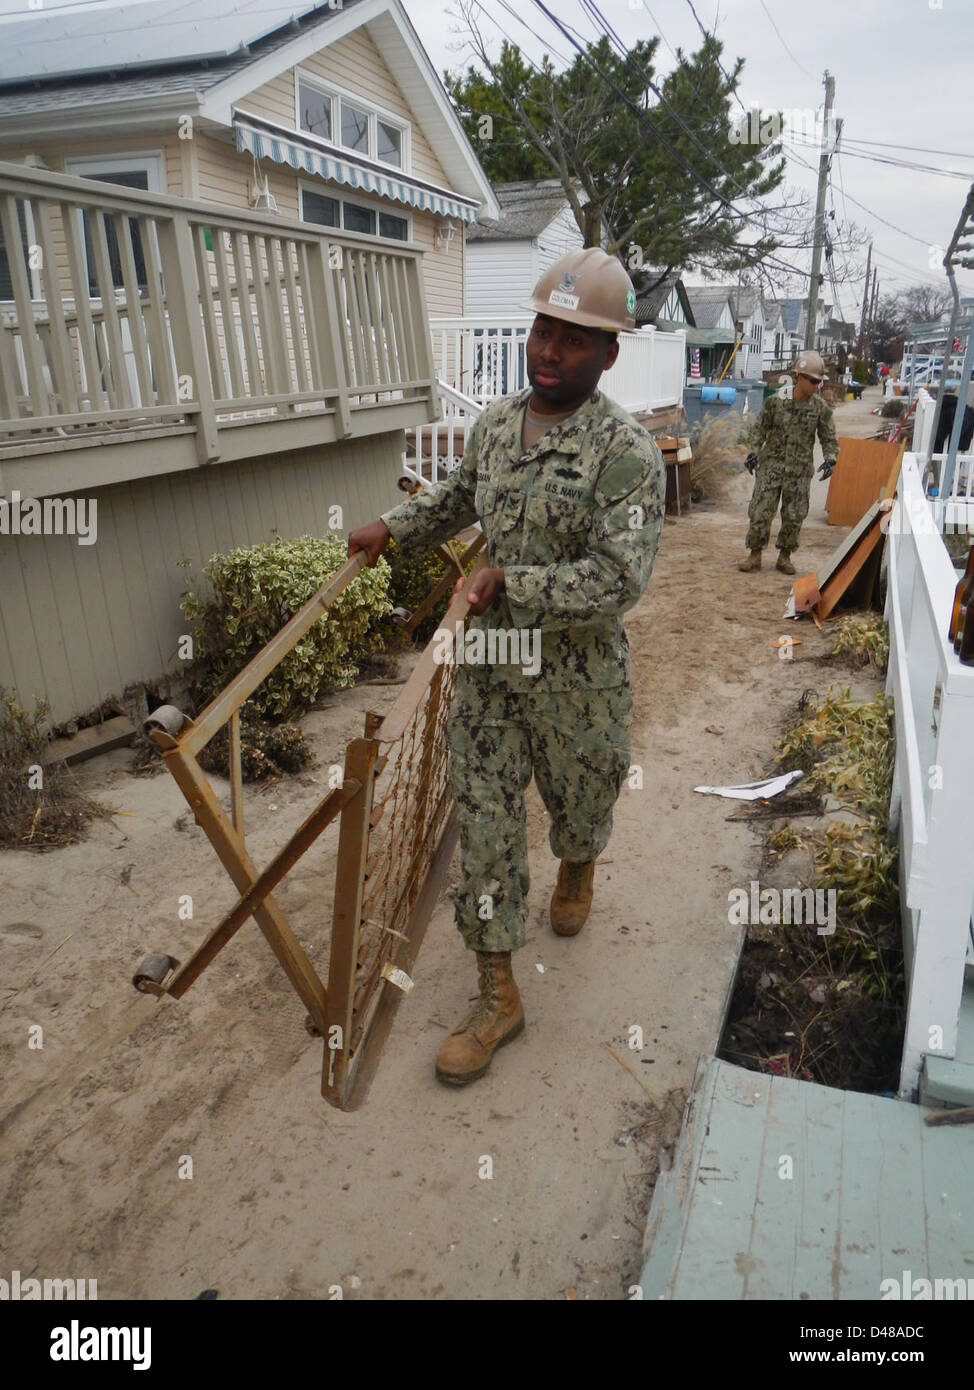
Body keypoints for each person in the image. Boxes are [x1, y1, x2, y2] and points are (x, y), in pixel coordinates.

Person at [347, 248, 665, 1086]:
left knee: (584, 795)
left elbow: (618, 578)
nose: (549, 351)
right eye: (542, 331)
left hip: (578, 679)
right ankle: (496, 994)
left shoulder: (625, 454)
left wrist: (507, 580)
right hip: (491, 666)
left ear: (608, 355)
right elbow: (461, 494)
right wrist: (393, 525)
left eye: (572, 339)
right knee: (485, 823)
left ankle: (578, 859)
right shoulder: (494, 424)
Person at [737, 349, 839, 575]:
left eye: (819, 382)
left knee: (794, 516)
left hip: (799, 471)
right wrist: (753, 452)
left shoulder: (820, 409)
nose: (816, 386)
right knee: (760, 511)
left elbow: (829, 438)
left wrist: (831, 458)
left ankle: (785, 556)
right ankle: (755, 555)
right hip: (772, 467)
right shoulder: (776, 402)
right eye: (813, 381)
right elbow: (759, 429)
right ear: (799, 377)